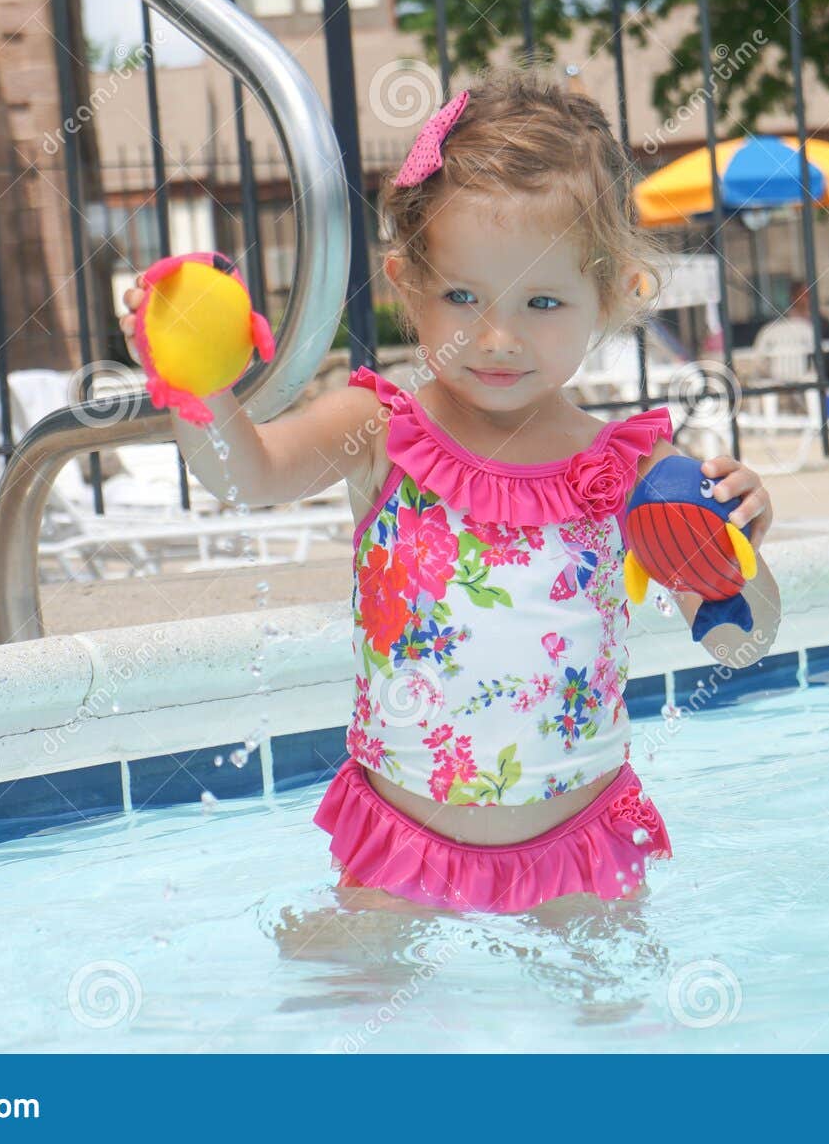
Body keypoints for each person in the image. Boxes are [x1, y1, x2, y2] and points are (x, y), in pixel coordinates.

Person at [119, 66, 782, 915]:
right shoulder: (381, 427)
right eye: (462, 296)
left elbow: (742, 645)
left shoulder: (633, 472)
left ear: (610, 296)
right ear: (407, 286)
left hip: (581, 856)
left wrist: (739, 557)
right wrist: (196, 384)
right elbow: (245, 475)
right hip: (402, 853)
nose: (497, 338)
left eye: (542, 301)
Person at [750, 280, 829, 384]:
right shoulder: (785, 323)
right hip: (803, 367)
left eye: (810, 295)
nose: (809, 299)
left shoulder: (821, 321)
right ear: (794, 297)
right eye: (805, 295)